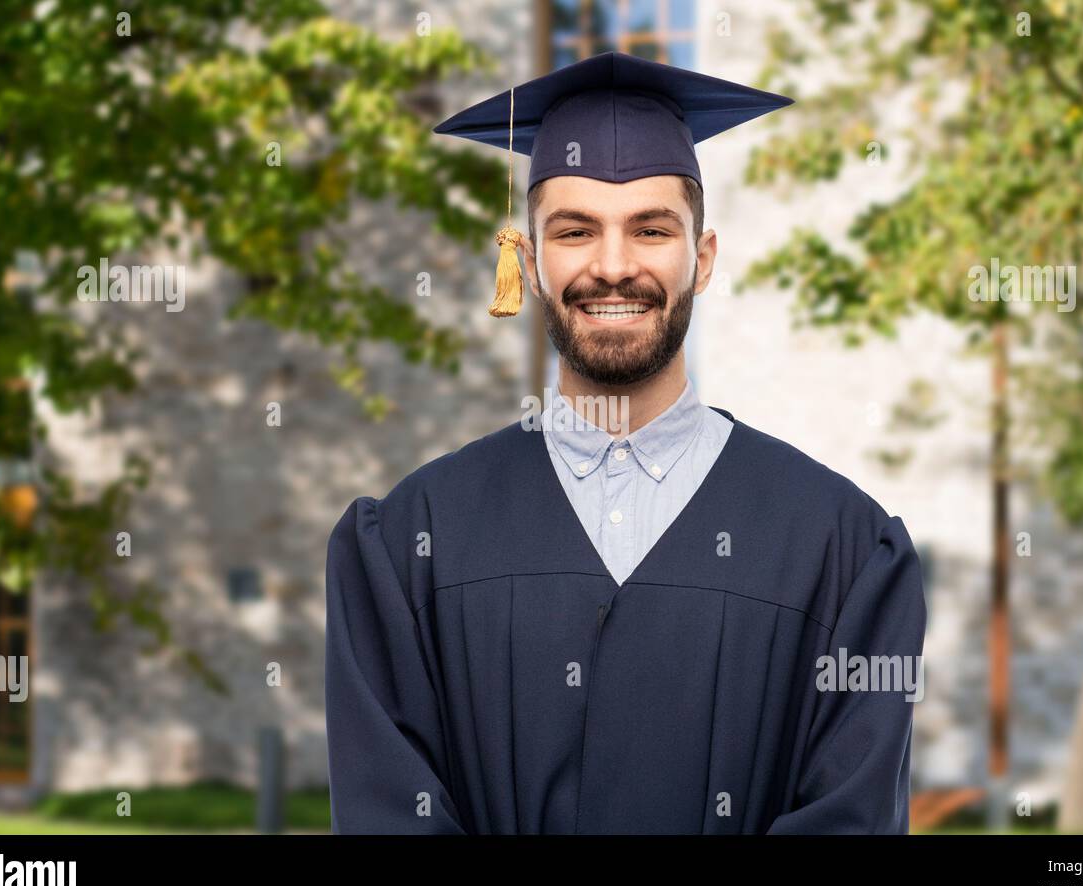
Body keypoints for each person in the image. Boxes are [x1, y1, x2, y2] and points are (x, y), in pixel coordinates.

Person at [325, 52, 927, 834]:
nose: (613, 267)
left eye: (651, 229)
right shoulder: (411, 542)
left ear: (700, 260)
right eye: (576, 231)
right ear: (532, 262)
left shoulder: (841, 548)